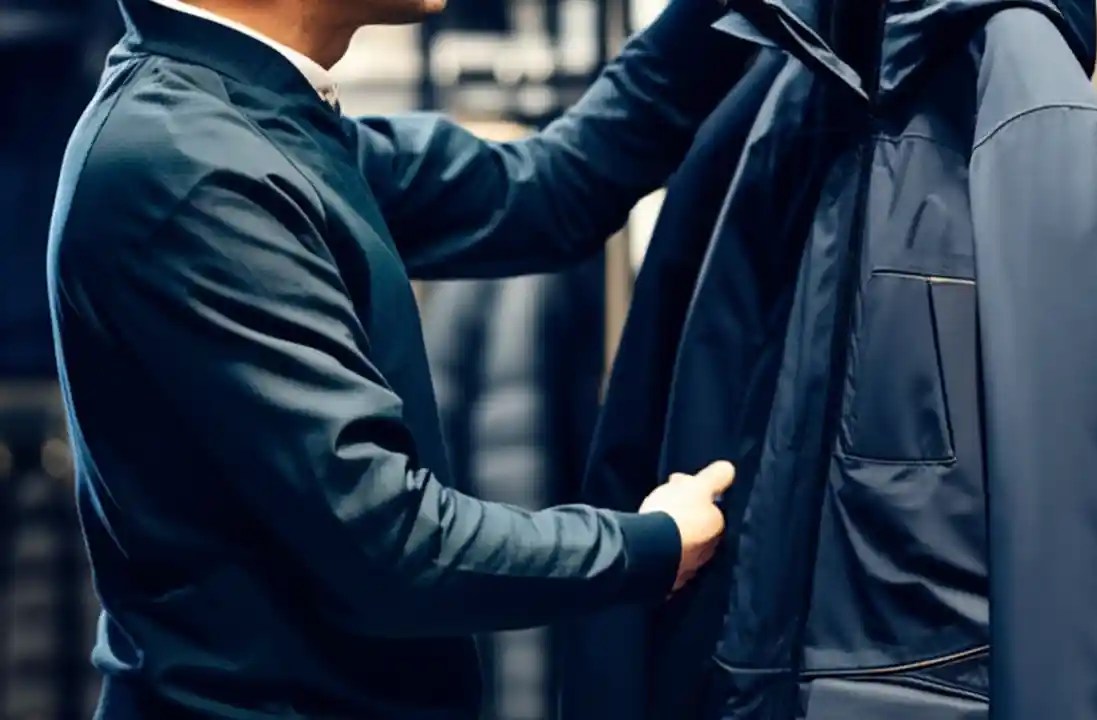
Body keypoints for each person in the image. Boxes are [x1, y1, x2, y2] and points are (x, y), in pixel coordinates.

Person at [45, 0, 753, 715]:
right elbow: (389, 546)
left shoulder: (251, 119)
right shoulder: (190, 163)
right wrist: (652, 546)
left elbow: (548, 190)